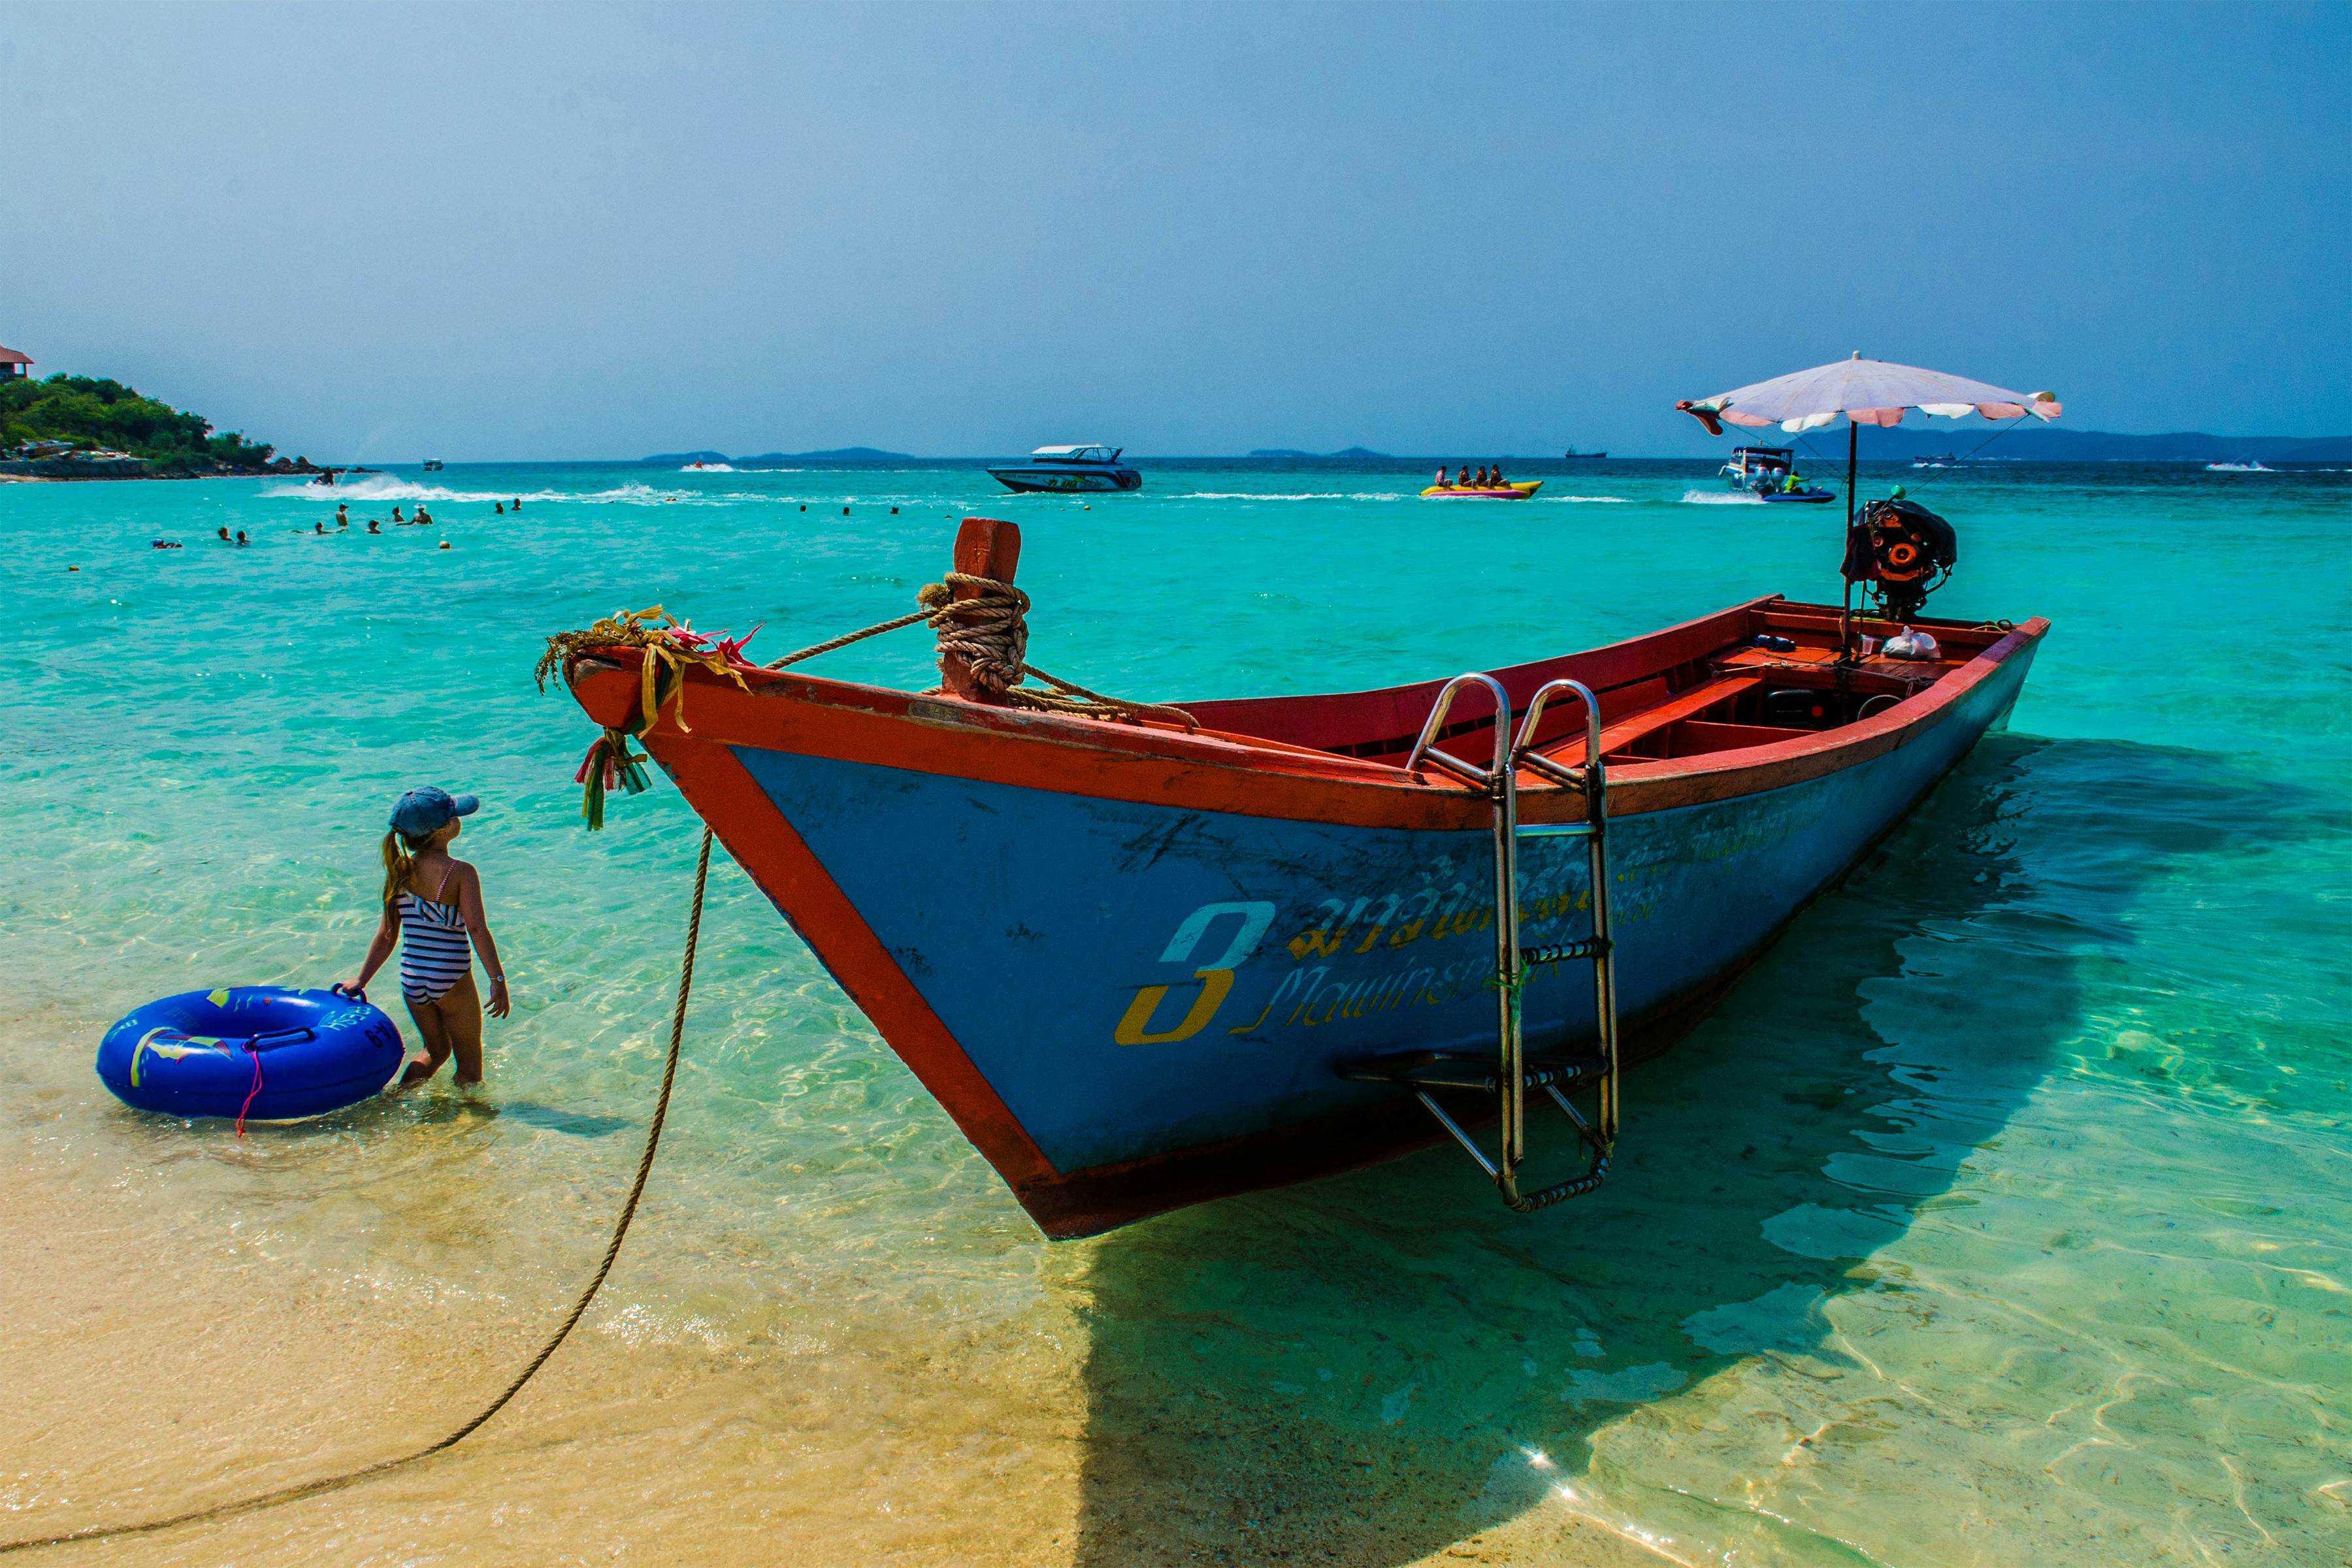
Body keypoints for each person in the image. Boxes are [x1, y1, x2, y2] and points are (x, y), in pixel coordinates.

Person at [344, 787, 510, 1086]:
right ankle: (468, 1117)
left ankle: (399, 1097)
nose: (459, 820)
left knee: (436, 1051)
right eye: (455, 816)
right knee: (469, 1066)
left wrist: (362, 979)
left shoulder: (399, 870)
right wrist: (497, 979)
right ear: (444, 830)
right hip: (450, 978)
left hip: (412, 979)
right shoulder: (461, 872)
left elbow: (387, 935)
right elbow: (476, 929)